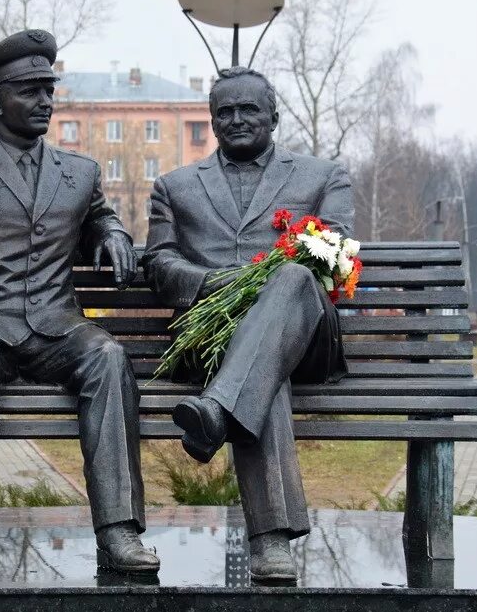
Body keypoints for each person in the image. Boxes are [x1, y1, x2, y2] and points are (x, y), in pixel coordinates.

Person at [0, 29, 157, 579]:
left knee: (109, 358)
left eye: (49, 90)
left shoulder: (80, 171)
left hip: (56, 327)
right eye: (30, 91)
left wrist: (112, 233)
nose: (46, 101)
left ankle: (119, 530)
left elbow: (97, 217)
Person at [143, 66, 353, 583]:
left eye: (248, 109)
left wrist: (268, 283)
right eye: (225, 112)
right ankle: (270, 543)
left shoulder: (323, 176)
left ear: (274, 116)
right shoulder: (174, 186)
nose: (236, 119)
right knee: (262, 372)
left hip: (306, 337)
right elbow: (159, 264)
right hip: (210, 338)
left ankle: (215, 410)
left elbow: (334, 252)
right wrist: (215, 283)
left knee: (294, 277)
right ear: (213, 120)